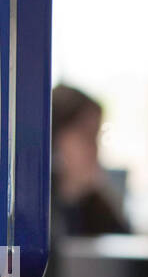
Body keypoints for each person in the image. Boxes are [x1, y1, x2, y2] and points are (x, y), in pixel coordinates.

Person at [51, 85, 130, 237]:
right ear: (55, 140)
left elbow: (128, 253)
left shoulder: (95, 205)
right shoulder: (34, 214)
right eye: (86, 136)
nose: (94, 149)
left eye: (96, 137)